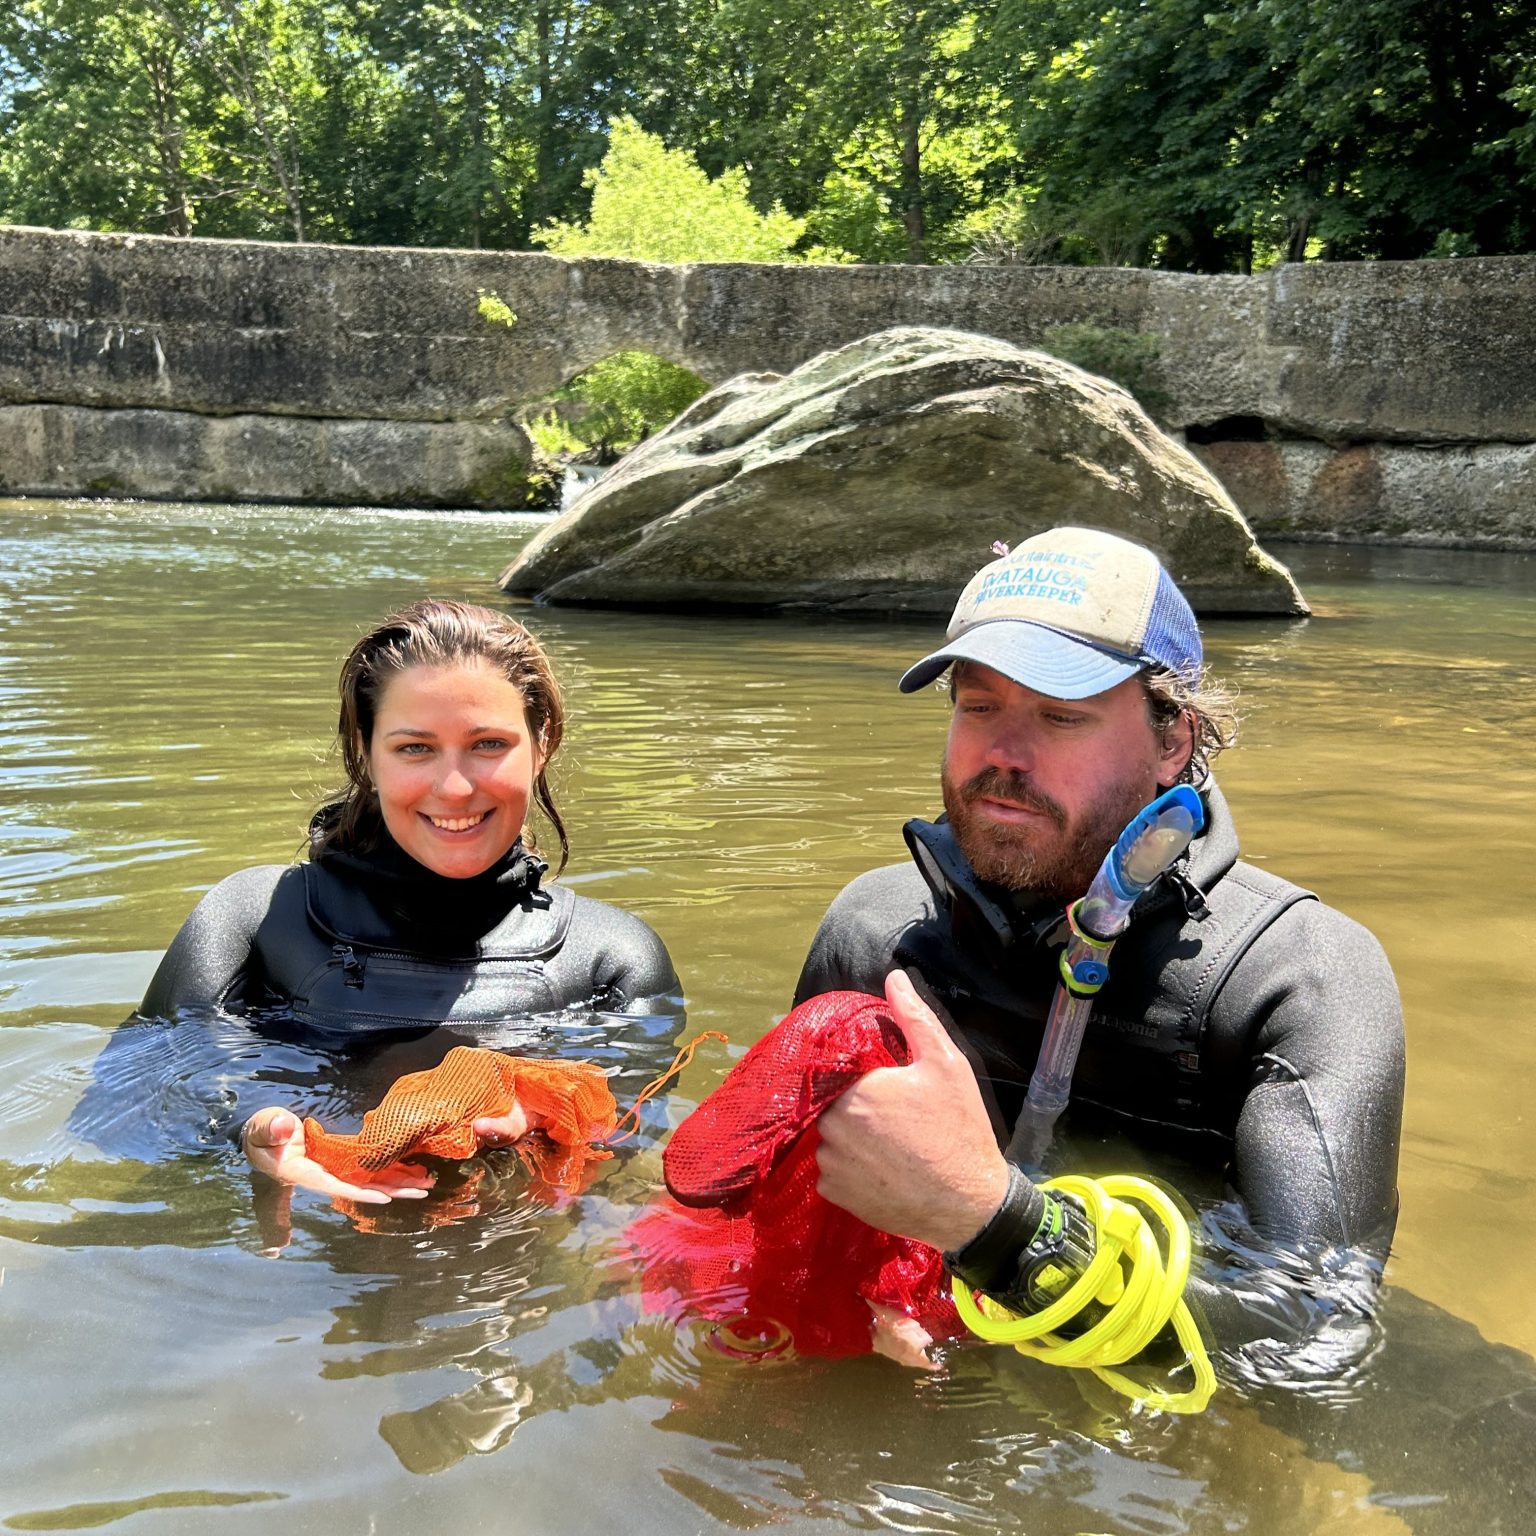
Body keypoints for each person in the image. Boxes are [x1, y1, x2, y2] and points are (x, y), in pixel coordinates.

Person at [794, 525, 1405, 1353]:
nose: (1004, 754)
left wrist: (997, 1227)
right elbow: (783, 1196)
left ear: (1171, 742)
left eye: (1061, 715)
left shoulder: (1300, 978)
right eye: (978, 706)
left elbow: (1318, 1338)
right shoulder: (876, 934)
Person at [139, 598, 679, 1207]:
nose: (454, 788)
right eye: (415, 748)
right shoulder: (252, 918)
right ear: (367, 754)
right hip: (297, 1251)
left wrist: (546, 1105)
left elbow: (629, 1144)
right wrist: (248, 1133)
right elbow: (135, 1096)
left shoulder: (614, 956)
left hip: (511, 1272)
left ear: (542, 745)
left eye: (489, 743)